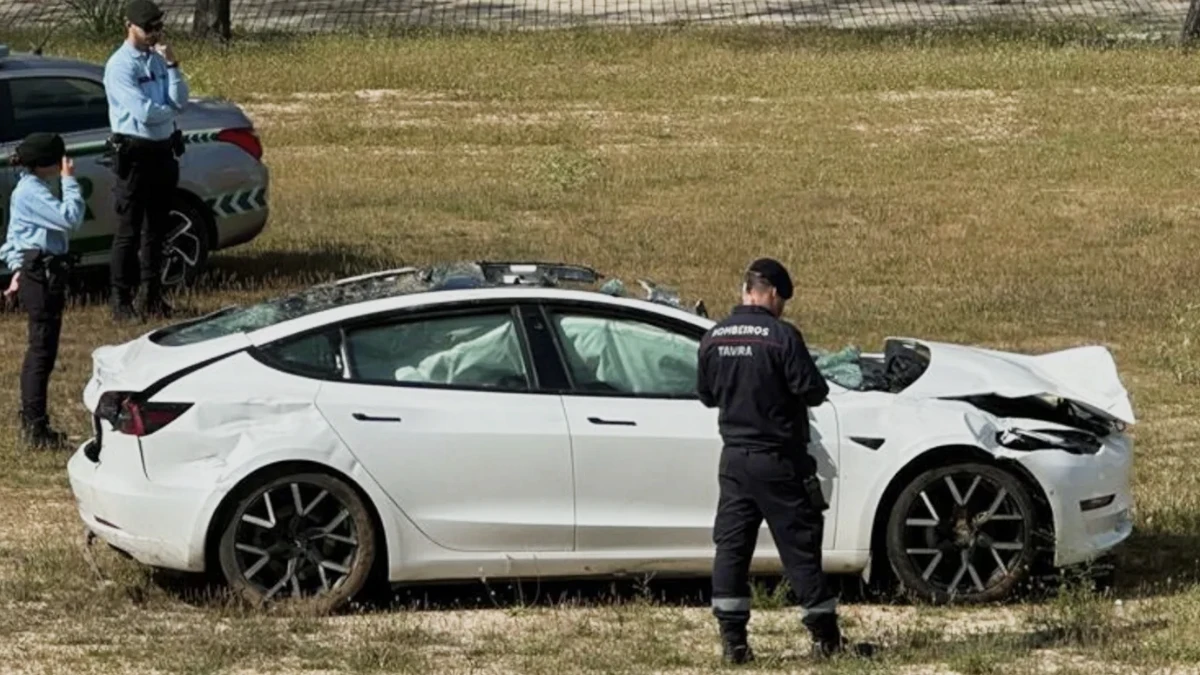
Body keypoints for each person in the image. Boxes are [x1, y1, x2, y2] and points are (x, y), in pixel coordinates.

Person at [696, 258, 869, 663]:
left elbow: (706, 395)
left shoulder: (714, 337)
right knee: (799, 548)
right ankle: (826, 642)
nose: (783, 307)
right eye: (782, 299)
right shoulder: (781, 336)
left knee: (732, 549)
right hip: (779, 460)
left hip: (734, 460)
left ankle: (733, 645)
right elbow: (813, 391)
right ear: (771, 293)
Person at [103, 0, 189, 321]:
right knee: (129, 231)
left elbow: (180, 98)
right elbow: (145, 113)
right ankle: (120, 300)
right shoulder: (120, 66)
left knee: (156, 230)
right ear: (130, 26)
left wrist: (172, 66)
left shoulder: (157, 60)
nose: (155, 33)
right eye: (148, 28)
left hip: (163, 152)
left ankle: (151, 296)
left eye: (158, 27)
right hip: (135, 154)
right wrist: (171, 112)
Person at [1, 133, 85, 449]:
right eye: (60, 159)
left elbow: (16, 235)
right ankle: (34, 426)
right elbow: (70, 219)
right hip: (42, 275)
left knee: (44, 350)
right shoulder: (31, 192)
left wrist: (16, 270)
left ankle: (36, 422)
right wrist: (70, 181)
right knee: (40, 350)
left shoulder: (30, 188)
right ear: (47, 163)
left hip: (37, 272)